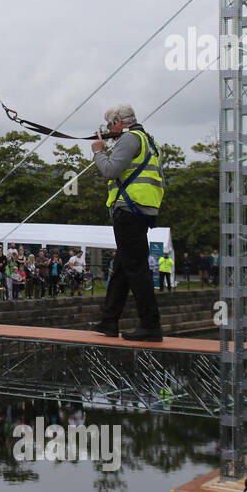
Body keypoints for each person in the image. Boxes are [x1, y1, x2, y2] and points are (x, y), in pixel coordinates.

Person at [90, 104, 164, 341]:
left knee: (135, 268)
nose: (109, 129)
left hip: (128, 209)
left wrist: (98, 151)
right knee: (123, 268)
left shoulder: (130, 139)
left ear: (118, 122)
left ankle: (151, 325)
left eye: (111, 124)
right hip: (143, 208)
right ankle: (109, 321)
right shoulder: (149, 140)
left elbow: (110, 171)